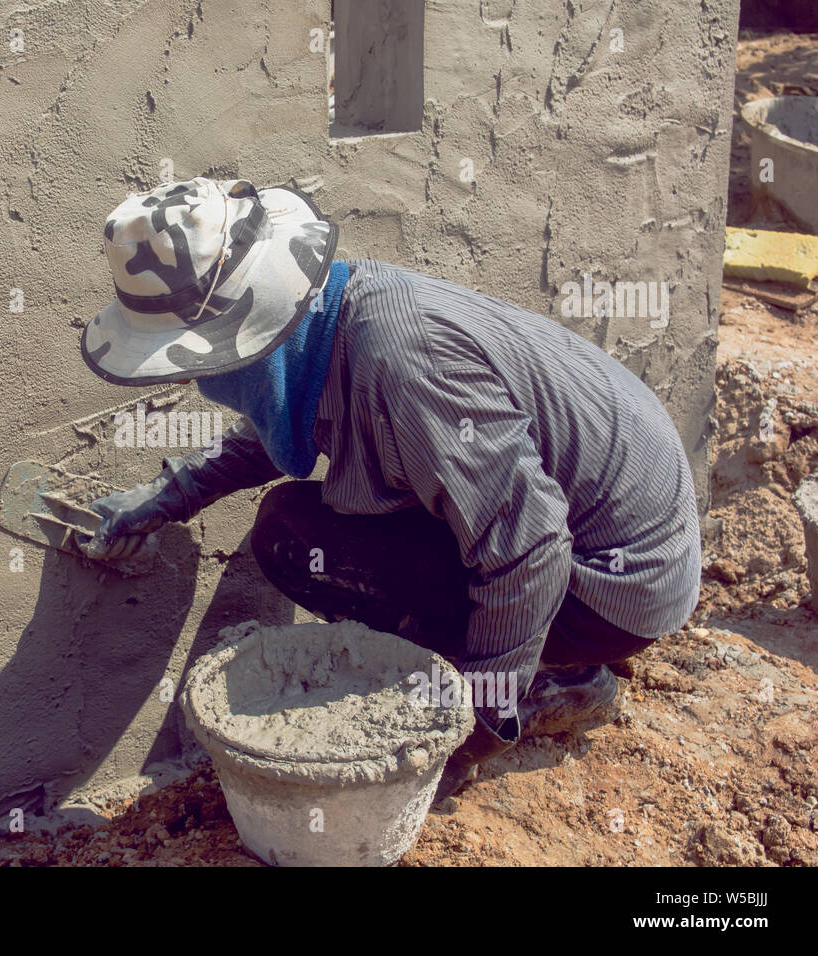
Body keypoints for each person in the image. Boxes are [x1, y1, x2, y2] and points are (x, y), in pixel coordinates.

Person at [77, 176, 701, 800]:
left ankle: (549, 682)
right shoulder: (328, 322)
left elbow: (532, 548)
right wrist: (171, 493)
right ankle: (521, 662)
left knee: (299, 545)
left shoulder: (408, 367)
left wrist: (470, 731)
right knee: (292, 527)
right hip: (564, 522)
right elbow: (283, 419)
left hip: (613, 585)